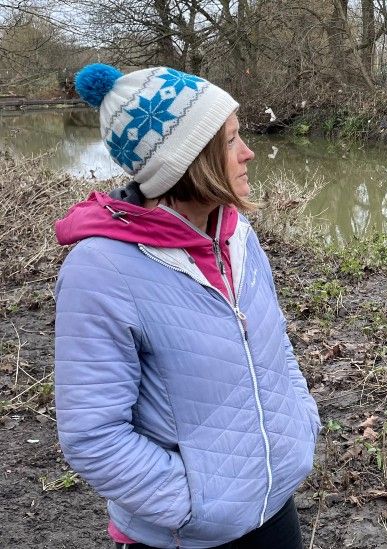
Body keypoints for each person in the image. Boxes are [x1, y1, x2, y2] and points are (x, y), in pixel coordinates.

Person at [53, 64, 320, 549]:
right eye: (231, 141)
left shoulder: (237, 234)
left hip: (275, 508)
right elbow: (93, 436)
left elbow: (275, 345)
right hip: (184, 534)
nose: (248, 152)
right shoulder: (100, 269)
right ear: (186, 161)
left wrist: (301, 428)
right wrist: (197, 506)